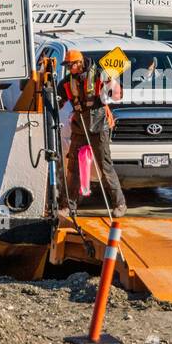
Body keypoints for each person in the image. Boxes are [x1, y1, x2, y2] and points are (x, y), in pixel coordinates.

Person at [58, 49, 127, 218]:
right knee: (73, 168)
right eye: (67, 66)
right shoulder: (67, 82)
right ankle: (69, 206)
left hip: (99, 125)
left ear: (80, 63)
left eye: (70, 65)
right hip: (79, 127)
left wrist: (112, 83)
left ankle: (120, 204)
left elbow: (117, 96)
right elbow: (58, 99)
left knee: (105, 167)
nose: (68, 69)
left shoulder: (99, 76)